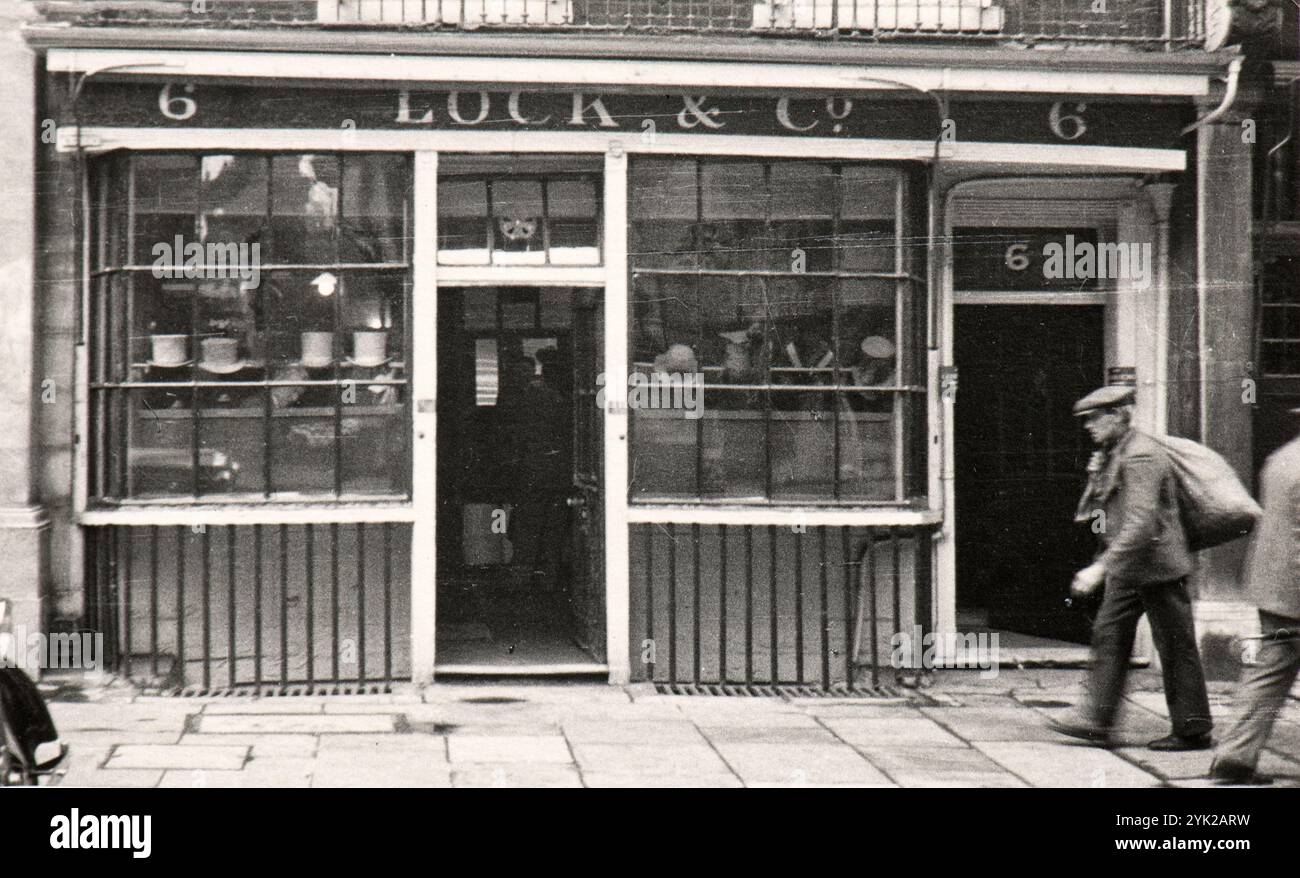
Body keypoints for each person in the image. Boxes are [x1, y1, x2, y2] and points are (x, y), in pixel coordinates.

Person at [1049, 384, 1213, 751]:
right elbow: (1093, 511)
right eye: (1086, 419)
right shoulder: (1116, 452)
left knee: (1175, 646)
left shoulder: (1141, 455)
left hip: (1158, 568)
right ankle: (1095, 720)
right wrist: (1096, 477)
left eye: (1094, 419)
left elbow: (1141, 522)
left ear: (1118, 416)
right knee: (1109, 635)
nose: (1088, 426)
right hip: (1132, 567)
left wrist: (1100, 569)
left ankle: (1192, 730)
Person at [1208, 418, 1300, 784]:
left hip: (1273, 590)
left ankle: (1234, 758)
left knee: (1267, 674)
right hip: (1296, 589)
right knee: (1269, 672)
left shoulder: (1281, 458)